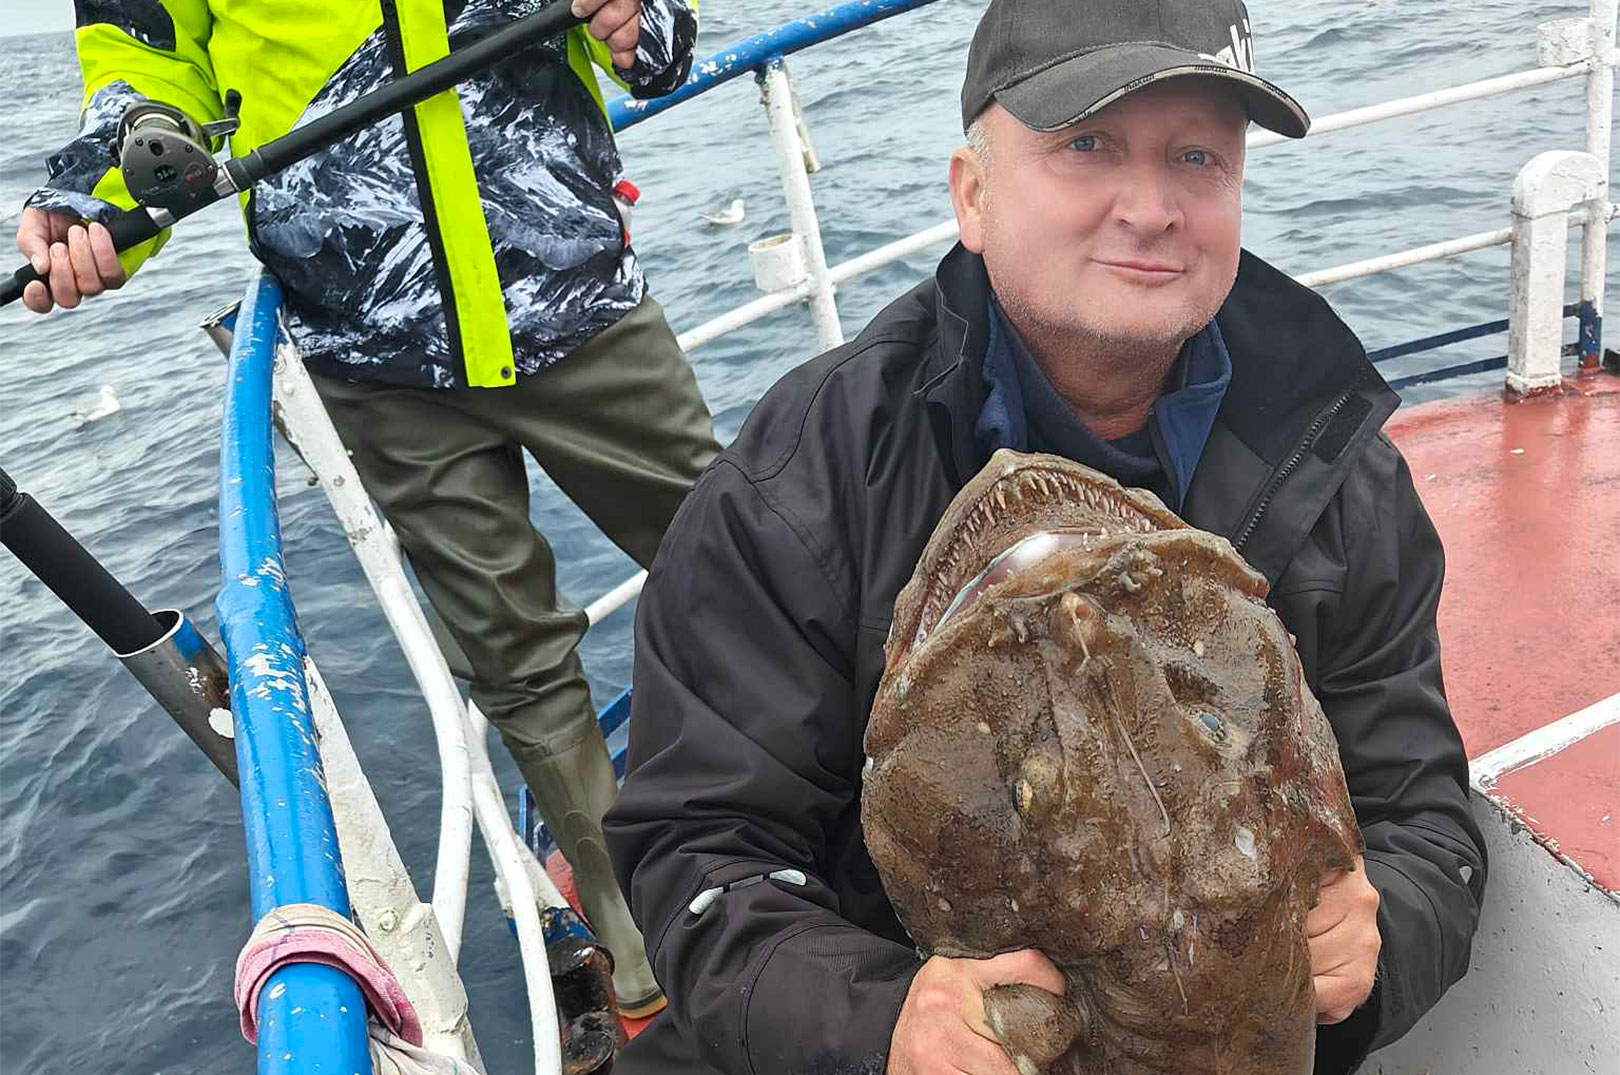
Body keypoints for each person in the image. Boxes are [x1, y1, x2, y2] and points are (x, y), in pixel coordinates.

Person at [604, 0, 1487, 1069]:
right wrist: (885, 1021)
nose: (1151, 208)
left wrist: (1375, 936)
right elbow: (698, 850)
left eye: (1198, 155)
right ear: (971, 195)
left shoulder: (1340, 468)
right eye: (1088, 145)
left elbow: (1425, 820)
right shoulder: (803, 485)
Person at [17, 0, 721, 1018]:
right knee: (514, 661)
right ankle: (654, 964)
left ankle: (843, 815)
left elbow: (658, 39)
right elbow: (145, 69)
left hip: (578, 298)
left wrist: (642, 26)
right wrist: (97, 199)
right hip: (378, 362)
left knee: (750, 560)